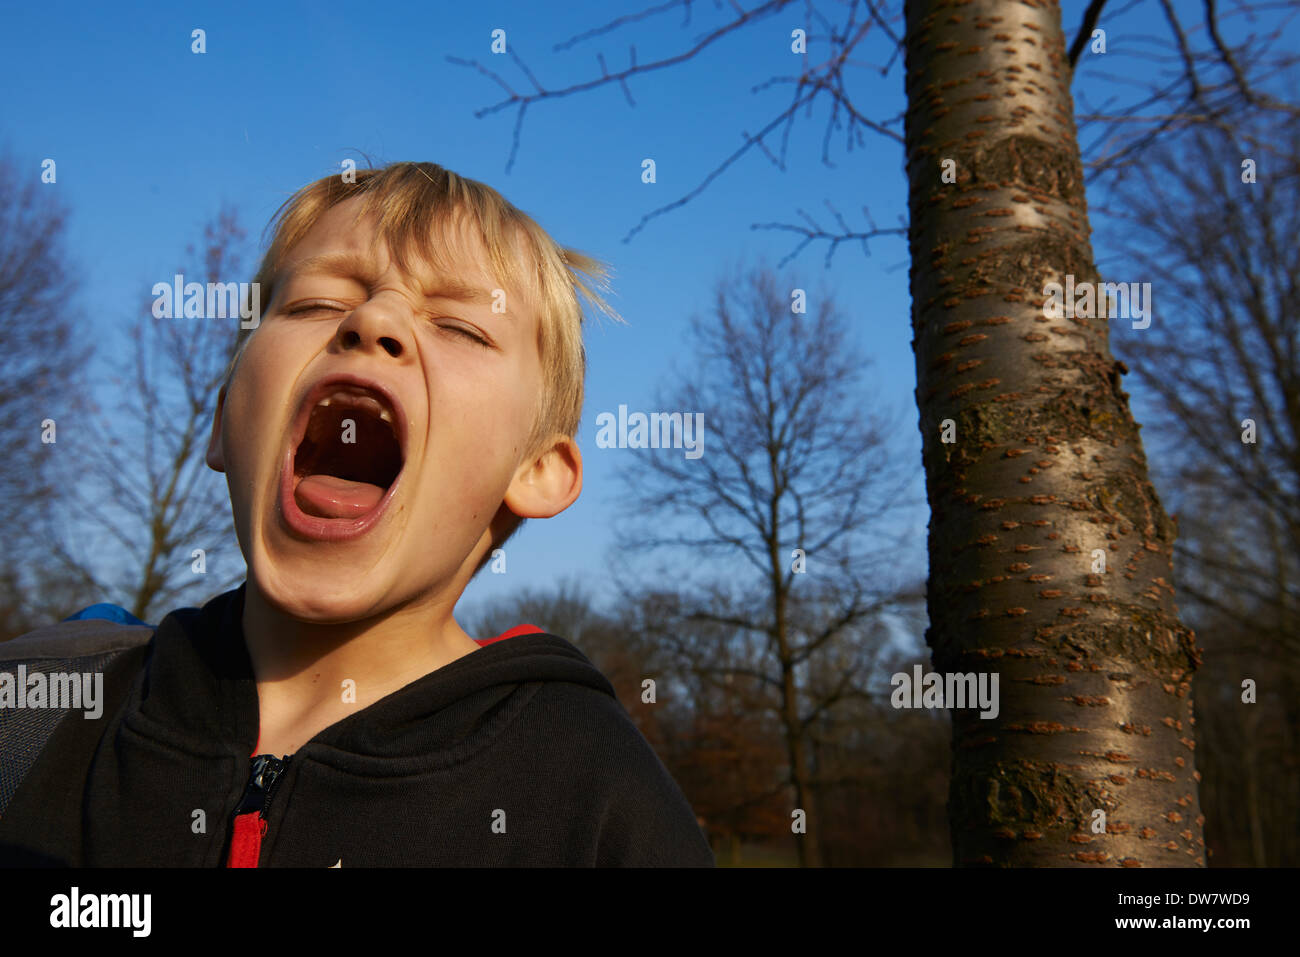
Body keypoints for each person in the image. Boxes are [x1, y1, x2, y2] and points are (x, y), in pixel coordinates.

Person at [0, 162, 715, 867]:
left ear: (535, 470)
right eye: (313, 303)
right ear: (223, 422)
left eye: (462, 326)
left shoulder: (598, 805)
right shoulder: (37, 712)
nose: (373, 320)